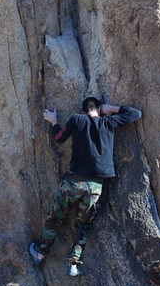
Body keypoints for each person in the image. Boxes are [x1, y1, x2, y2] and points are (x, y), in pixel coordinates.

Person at [29, 95, 142, 276]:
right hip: (96, 186)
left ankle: (41, 254)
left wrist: (53, 121)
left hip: (74, 182)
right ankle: (73, 265)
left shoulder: (77, 119)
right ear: (99, 109)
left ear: (83, 111)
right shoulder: (109, 123)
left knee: (55, 217)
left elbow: (59, 137)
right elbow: (135, 113)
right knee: (83, 225)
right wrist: (110, 108)